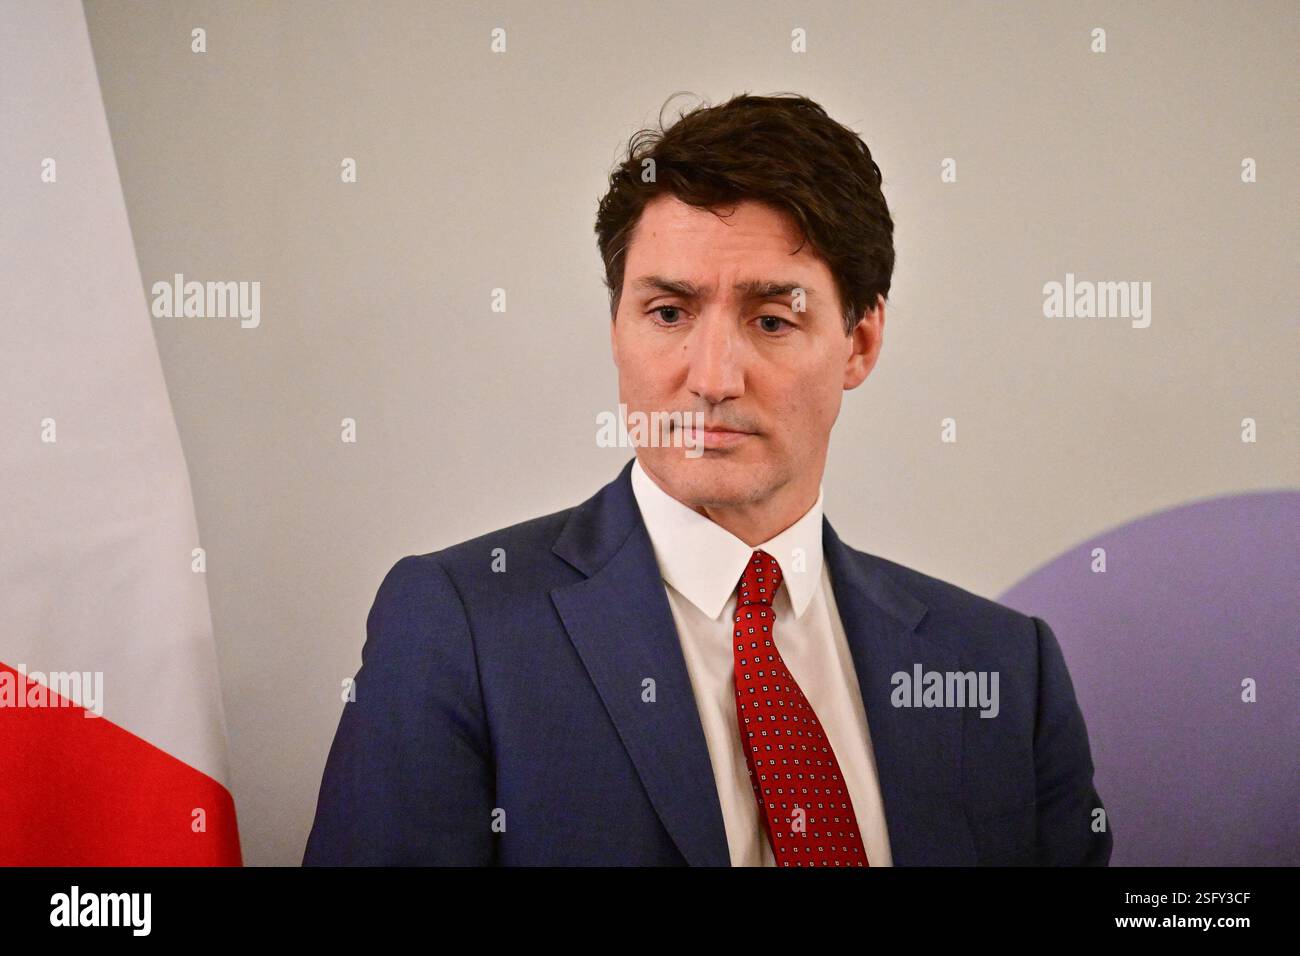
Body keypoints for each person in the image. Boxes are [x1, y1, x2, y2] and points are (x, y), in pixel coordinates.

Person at [302, 92, 1112, 866]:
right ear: (617, 328)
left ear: (861, 342)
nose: (713, 377)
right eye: (669, 313)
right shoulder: (459, 631)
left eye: (771, 319)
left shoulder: (1006, 668)